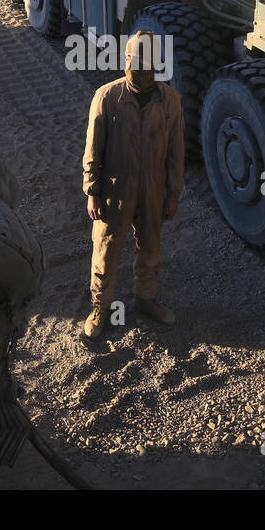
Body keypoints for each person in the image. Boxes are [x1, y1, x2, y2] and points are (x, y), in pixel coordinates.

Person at [81, 31, 185, 338]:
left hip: (154, 187)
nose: (137, 68)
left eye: (144, 63)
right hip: (116, 187)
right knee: (107, 249)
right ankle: (101, 308)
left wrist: (173, 193)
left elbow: (176, 151)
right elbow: (93, 148)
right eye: (132, 61)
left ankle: (146, 299)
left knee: (151, 247)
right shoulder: (108, 97)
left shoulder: (170, 100)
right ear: (125, 60)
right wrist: (93, 190)